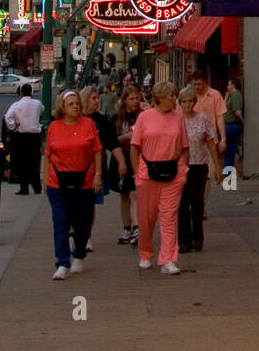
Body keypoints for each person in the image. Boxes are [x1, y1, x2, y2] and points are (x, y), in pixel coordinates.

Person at [130, 80, 189, 275]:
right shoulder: (144, 117)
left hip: (173, 172)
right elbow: (135, 146)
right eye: (171, 95)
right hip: (147, 172)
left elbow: (184, 146)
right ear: (161, 98)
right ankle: (145, 253)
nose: (174, 99)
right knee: (146, 218)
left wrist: (182, 170)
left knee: (169, 217)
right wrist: (137, 172)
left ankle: (168, 259)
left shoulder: (178, 118)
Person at [44, 89, 102, 281]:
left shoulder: (88, 125)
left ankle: (78, 254)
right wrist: (46, 178)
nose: (75, 107)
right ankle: (62, 262)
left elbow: (97, 151)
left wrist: (98, 175)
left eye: (77, 103)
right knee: (61, 221)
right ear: (63, 106)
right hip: (58, 180)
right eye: (71, 104)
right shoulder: (54, 127)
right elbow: (48, 154)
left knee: (82, 222)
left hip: (84, 180)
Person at [177, 86, 218, 252]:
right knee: (182, 204)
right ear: (180, 103)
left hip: (199, 166)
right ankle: (184, 241)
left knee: (197, 203)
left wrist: (216, 164)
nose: (187, 105)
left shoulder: (202, 118)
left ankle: (198, 238)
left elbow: (210, 141)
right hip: (180, 167)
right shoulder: (176, 119)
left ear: (194, 102)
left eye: (190, 101)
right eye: (184, 102)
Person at [81, 85, 118, 248]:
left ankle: (86, 236)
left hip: (96, 168)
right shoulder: (76, 119)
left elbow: (112, 142)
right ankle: (75, 233)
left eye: (98, 98)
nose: (97, 102)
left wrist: (121, 162)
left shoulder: (101, 120)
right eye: (93, 98)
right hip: (77, 167)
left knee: (89, 205)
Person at [111, 84, 146, 243]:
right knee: (124, 194)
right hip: (122, 157)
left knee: (135, 193)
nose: (135, 102)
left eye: (137, 98)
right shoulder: (117, 118)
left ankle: (137, 227)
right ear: (124, 100)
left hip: (139, 157)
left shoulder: (144, 115)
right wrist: (127, 136)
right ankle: (126, 228)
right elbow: (111, 141)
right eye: (131, 99)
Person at [190, 71, 225, 212]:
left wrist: (223, 138)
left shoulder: (215, 95)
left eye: (199, 84)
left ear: (205, 82)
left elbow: (220, 117)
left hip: (209, 139)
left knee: (207, 174)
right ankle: (194, 200)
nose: (197, 87)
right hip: (191, 141)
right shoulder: (189, 96)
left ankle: (202, 204)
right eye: (194, 84)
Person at [4, 83, 44, 195]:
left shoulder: (17, 105)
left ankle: (24, 187)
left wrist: (13, 126)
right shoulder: (37, 103)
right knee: (34, 162)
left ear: (21, 92)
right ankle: (37, 187)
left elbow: (8, 117)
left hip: (21, 135)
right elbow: (42, 110)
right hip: (35, 136)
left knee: (22, 162)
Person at [223, 78, 244, 172]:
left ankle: (228, 171)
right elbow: (222, 109)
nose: (227, 86)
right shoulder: (231, 96)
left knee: (229, 149)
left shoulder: (236, 96)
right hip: (227, 125)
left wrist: (243, 123)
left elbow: (238, 112)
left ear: (233, 85)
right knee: (227, 149)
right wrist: (226, 97)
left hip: (232, 125)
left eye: (229, 84)